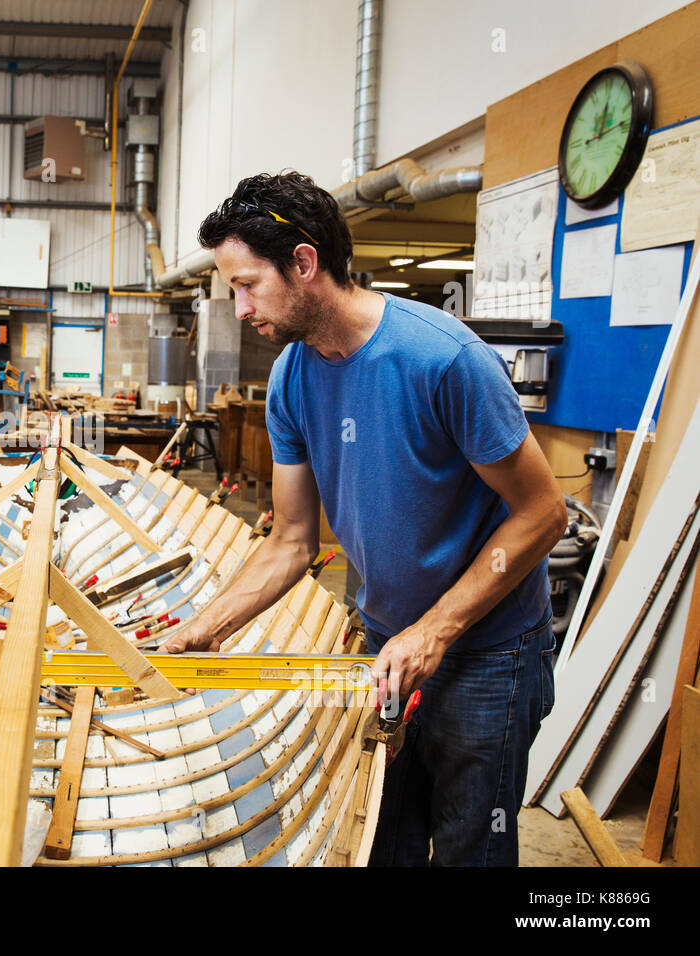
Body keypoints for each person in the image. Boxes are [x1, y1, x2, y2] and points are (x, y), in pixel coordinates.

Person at [162, 170, 567, 866]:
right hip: (383, 645)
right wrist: (205, 627)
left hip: (488, 653)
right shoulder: (291, 377)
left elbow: (544, 514)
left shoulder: (445, 360)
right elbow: (291, 542)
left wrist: (434, 631)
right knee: (384, 840)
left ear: (305, 264)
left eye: (247, 284)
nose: (239, 307)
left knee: (473, 849)